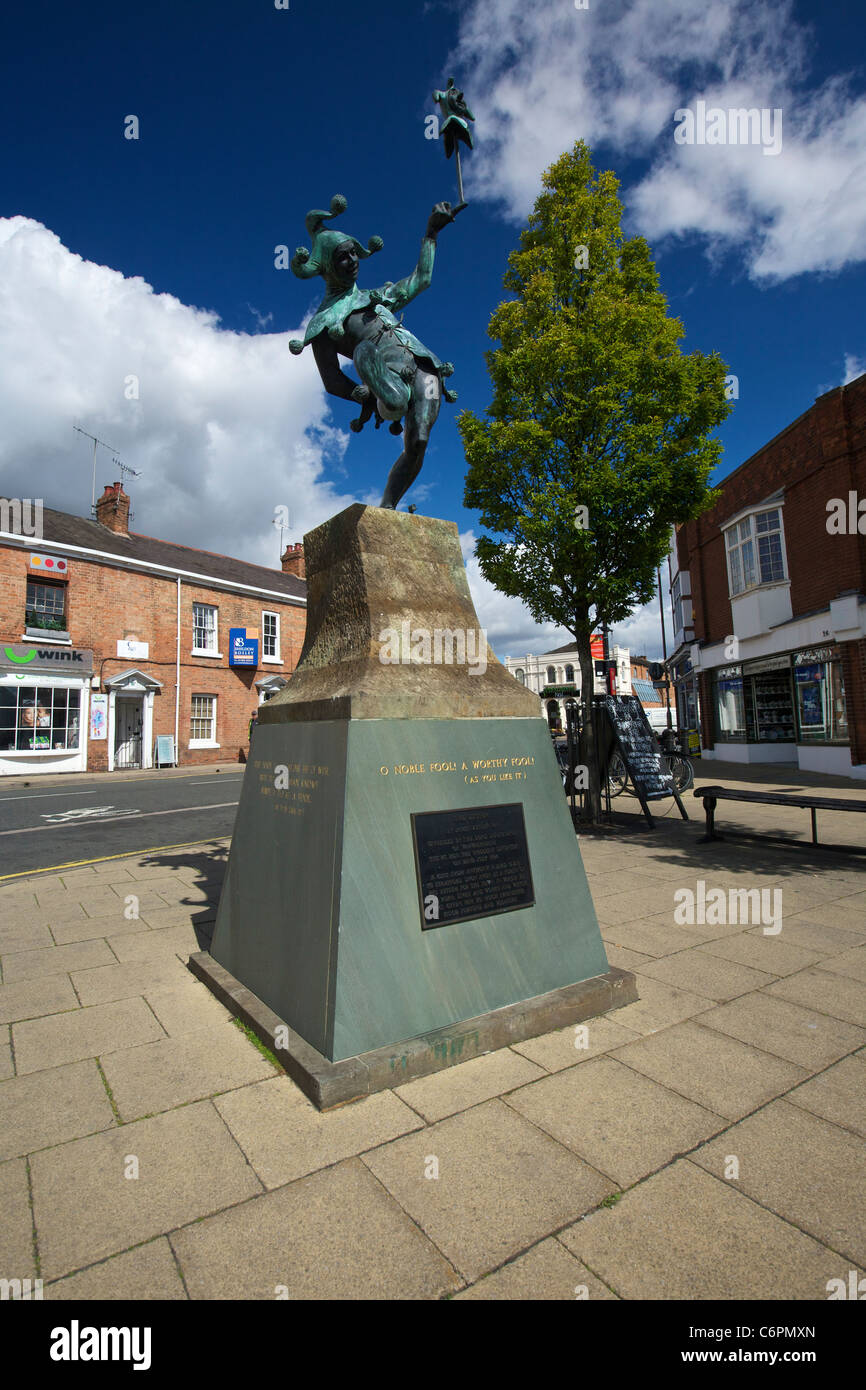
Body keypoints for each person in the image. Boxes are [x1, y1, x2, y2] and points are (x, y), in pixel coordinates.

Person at [288, 194, 463, 509]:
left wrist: (432, 233)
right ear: (327, 265)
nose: (353, 261)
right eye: (343, 257)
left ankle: (388, 506)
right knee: (375, 365)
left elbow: (422, 279)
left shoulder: (378, 297)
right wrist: (363, 395)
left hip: (425, 367)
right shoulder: (324, 323)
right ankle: (384, 389)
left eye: (355, 254)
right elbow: (331, 379)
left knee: (419, 440)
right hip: (383, 375)